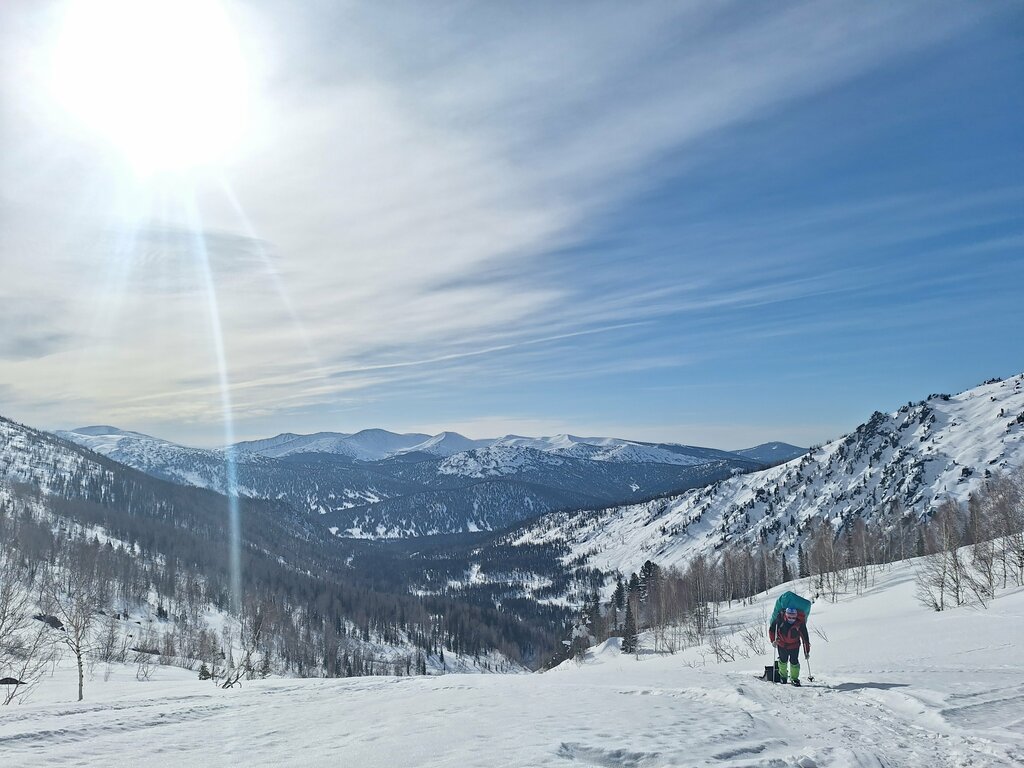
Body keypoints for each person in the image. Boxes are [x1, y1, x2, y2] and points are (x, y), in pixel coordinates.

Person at [769, 606, 810, 685]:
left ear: (796, 616)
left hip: (794, 645)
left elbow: (805, 637)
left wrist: (807, 651)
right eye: (789, 617)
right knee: (783, 660)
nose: (791, 619)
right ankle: (783, 677)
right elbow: (772, 629)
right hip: (782, 644)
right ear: (786, 615)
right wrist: (773, 641)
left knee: (794, 661)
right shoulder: (780, 619)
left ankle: (794, 678)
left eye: (793, 617)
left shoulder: (799, 622)